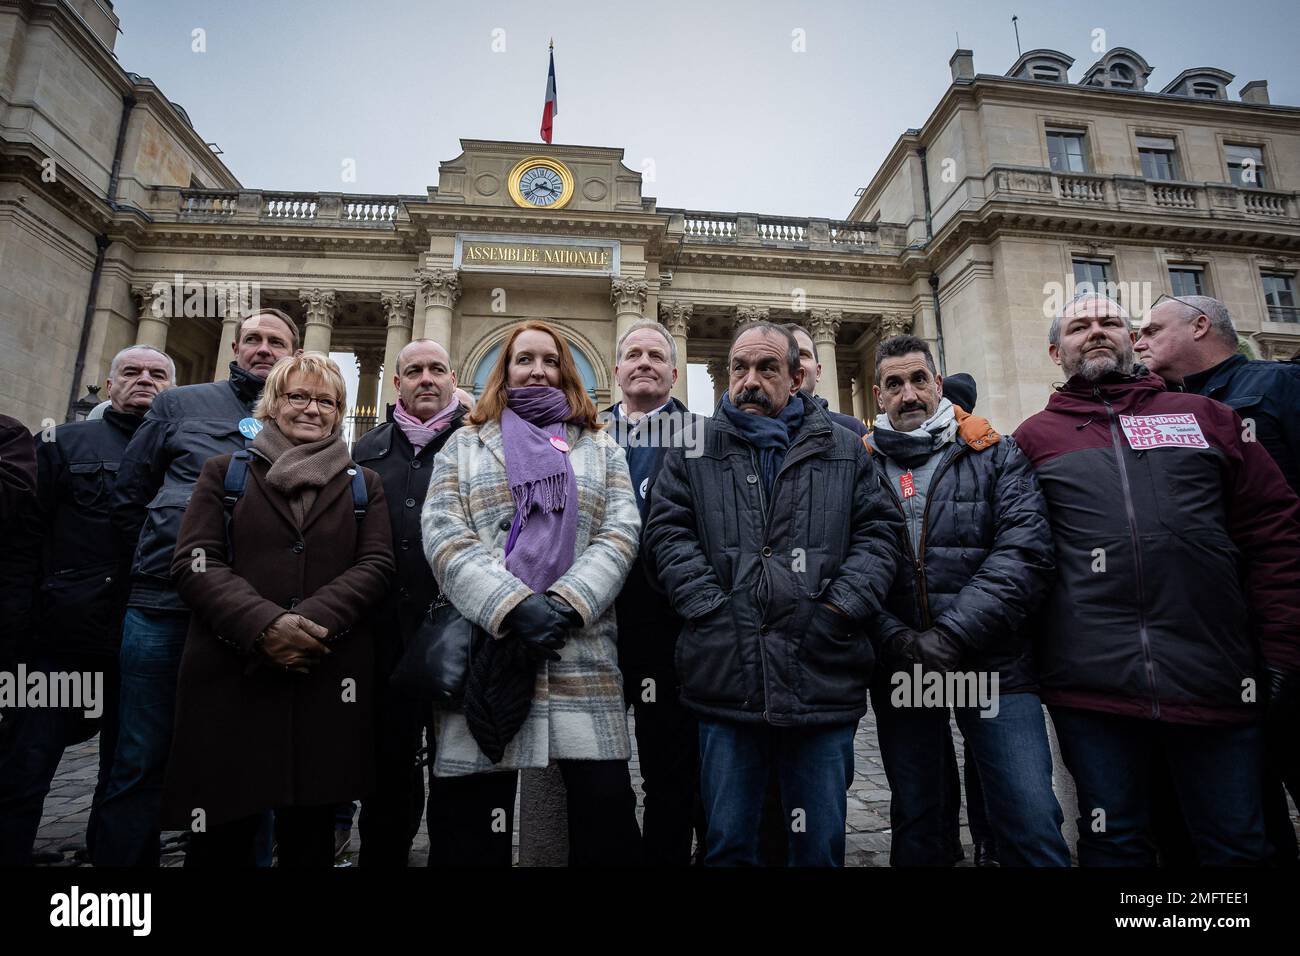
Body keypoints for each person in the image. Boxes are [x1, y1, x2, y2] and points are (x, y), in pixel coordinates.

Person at [1013, 292, 1300, 866]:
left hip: (1213, 671)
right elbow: (1022, 555)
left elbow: (1274, 531)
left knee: (1236, 845)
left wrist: (1282, 649)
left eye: (1110, 322)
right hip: (1092, 683)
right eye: (1079, 326)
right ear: (1054, 351)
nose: (1096, 331)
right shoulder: (1031, 440)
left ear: (1134, 341)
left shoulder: (1210, 419)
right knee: (1115, 841)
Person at [644, 321, 902, 866]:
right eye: (739, 368)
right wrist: (708, 608)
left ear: (797, 375)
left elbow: (879, 536)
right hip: (725, 672)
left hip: (819, 672)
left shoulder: (845, 448)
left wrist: (840, 609)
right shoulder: (693, 447)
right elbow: (667, 533)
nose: (750, 381)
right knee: (731, 844)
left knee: (818, 845)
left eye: (767, 368)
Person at [421, 320, 643, 866]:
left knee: (604, 816)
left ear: (566, 371)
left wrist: (566, 603)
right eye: (525, 359)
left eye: (550, 360)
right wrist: (514, 605)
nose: (538, 370)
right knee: (470, 827)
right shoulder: (466, 443)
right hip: (488, 643)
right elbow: (444, 533)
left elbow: (621, 530)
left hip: (579, 649)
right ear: (506, 369)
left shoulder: (601, 447)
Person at [161, 353, 394, 866]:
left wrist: (308, 626)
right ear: (273, 403)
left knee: (310, 839)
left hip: (322, 676)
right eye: (298, 396)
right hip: (234, 674)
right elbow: (195, 563)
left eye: (326, 401)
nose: (312, 409)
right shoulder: (223, 473)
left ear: (340, 412)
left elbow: (375, 565)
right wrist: (266, 625)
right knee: (220, 841)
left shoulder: (363, 483)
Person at [95, 309, 298, 866]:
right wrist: (171, 556)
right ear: (235, 347)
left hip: (250, 616)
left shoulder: (303, 415)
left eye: (276, 341)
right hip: (163, 604)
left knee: (243, 764)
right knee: (138, 756)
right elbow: (130, 496)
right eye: (253, 339)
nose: (263, 349)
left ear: (293, 353)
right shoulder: (179, 403)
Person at [866, 334, 1068, 867]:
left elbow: (1025, 554)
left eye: (918, 380)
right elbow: (847, 564)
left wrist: (953, 634)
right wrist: (893, 637)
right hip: (905, 665)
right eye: (894, 384)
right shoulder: (857, 467)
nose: (908, 394)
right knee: (919, 821)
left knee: (1028, 816)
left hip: (994, 662)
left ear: (938, 384)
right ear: (877, 395)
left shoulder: (998, 453)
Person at [1136, 292, 1300, 865]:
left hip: (1283, 621)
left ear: (1200, 325)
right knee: (1242, 802)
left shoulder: (1279, 387)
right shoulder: (1159, 408)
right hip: (1215, 640)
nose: (1138, 340)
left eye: (1151, 329)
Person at [0, 346, 173, 865]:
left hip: (141, 636)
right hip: (60, 638)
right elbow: (21, 542)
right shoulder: (61, 443)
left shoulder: (185, 451)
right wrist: (16, 631)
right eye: (132, 372)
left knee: (129, 769)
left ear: (174, 386)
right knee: (26, 765)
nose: (144, 380)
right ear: (110, 382)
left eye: (157, 374)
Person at [352, 338, 468, 866]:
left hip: (458, 639)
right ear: (395, 383)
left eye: (437, 369)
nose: (426, 378)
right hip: (383, 642)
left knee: (458, 777)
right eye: (414, 370)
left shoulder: (483, 443)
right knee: (386, 774)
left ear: (453, 379)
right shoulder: (363, 451)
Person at [603, 320, 704, 865]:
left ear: (672, 370)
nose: (644, 362)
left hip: (669, 628)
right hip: (596, 626)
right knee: (599, 766)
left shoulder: (702, 437)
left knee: (670, 764)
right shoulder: (586, 433)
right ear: (615, 369)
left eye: (655, 356)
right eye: (633, 354)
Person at [784, 323, 869, 437]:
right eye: (784, 355)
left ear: (818, 372)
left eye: (802, 354)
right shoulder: (753, 429)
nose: (794, 362)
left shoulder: (853, 430)